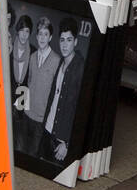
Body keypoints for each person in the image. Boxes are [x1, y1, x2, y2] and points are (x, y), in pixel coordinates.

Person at [42, 18, 85, 163]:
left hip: (61, 142)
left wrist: (67, 143)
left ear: (76, 42)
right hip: (48, 131)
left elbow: (82, 111)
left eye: (69, 40)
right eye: (62, 40)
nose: (65, 45)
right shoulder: (61, 63)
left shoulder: (80, 68)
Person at [25, 16, 60, 156]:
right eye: (40, 33)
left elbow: (56, 93)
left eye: (46, 34)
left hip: (42, 120)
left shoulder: (57, 61)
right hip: (27, 115)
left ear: (50, 37)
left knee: (33, 155)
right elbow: (29, 83)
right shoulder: (32, 57)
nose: (42, 37)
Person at [9, 14, 33, 154]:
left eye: (27, 31)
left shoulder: (33, 51)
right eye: (22, 30)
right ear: (17, 30)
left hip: (23, 92)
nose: (24, 35)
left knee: (18, 133)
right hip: (8, 91)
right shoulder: (10, 48)